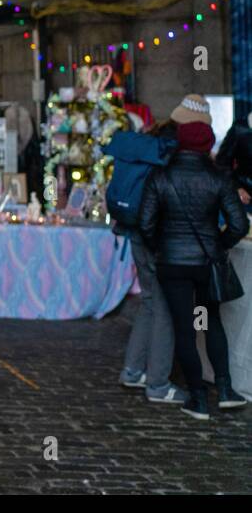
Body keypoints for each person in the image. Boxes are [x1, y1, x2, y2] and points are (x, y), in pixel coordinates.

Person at [138, 94, 249, 420]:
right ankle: (226, 390)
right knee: (211, 321)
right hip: (205, 265)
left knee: (185, 329)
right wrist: (220, 244)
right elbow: (239, 223)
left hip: (173, 266)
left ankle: (198, 398)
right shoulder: (218, 178)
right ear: (207, 143)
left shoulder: (160, 176)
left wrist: (162, 246)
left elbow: (145, 223)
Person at [105, 119, 185, 403]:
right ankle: (158, 384)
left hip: (133, 231)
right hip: (156, 237)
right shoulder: (166, 155)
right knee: (164, 307)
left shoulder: (137, 149)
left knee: (149, 301)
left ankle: (132, 370)